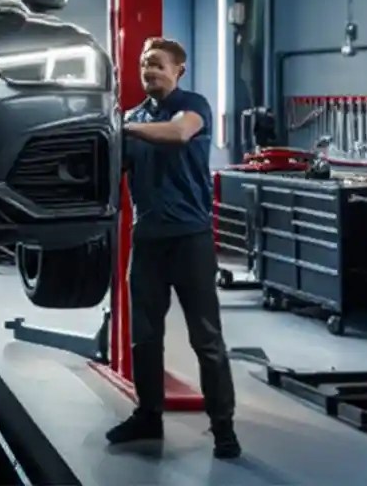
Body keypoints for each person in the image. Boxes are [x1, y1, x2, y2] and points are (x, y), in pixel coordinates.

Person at [104, 37, 241, 459]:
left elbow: (180, 134)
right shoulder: (132, 117)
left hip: (190, 241)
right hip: (148, 243)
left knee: (207, 339)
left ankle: (223, 429)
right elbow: (110, 172)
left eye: (158, 64)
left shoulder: (192, 106)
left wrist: (119, 127)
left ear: (179, 69)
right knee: (145, 337)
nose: (150, 70)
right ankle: (148, 416)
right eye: (145, 64)